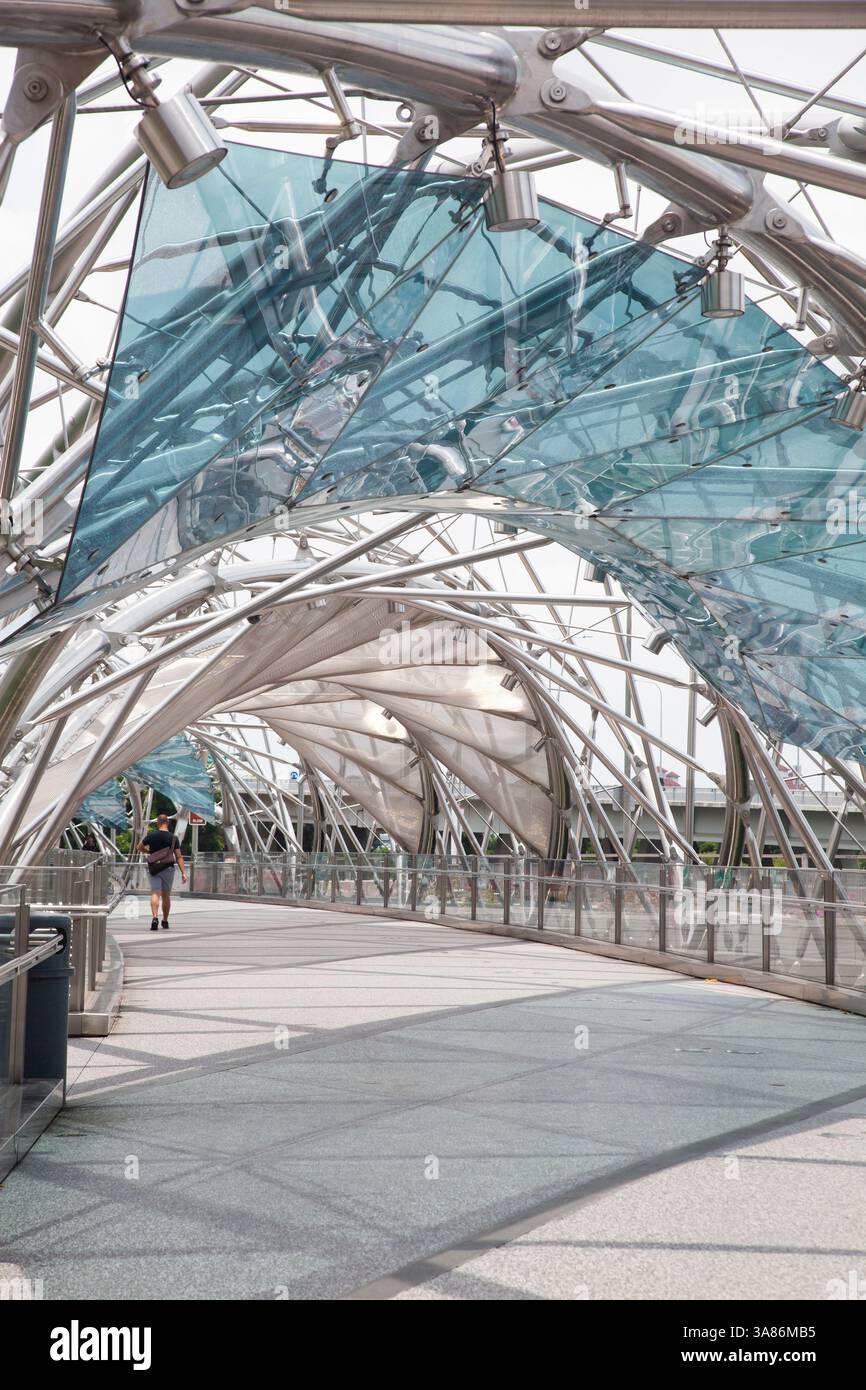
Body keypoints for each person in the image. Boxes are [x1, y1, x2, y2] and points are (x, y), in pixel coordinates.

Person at [138, 813, 187, 931]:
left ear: (158, 822)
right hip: (168, 868)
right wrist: (183, 872)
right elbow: (179, 856)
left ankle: (154, 918)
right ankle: (165, 920)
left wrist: (148, 852)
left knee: (155, 893)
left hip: (154, 868)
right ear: (167, 823)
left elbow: (138, 846)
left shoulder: (151, 836)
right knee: (166, 896)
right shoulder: (173, 838)